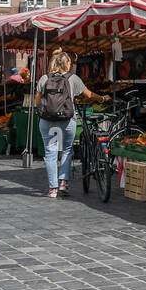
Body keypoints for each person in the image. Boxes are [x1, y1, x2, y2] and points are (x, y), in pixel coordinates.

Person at [36, 49, 106, 198]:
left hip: (47, 120)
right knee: (67, 150)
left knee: (50, 152)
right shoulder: (73, 78)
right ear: (66, 64)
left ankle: (53, 189)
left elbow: (37, 101)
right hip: (67, 120)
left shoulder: (44, 78)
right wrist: (103, 99)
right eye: (69, 62)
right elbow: (89, 95)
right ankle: (63, 183)